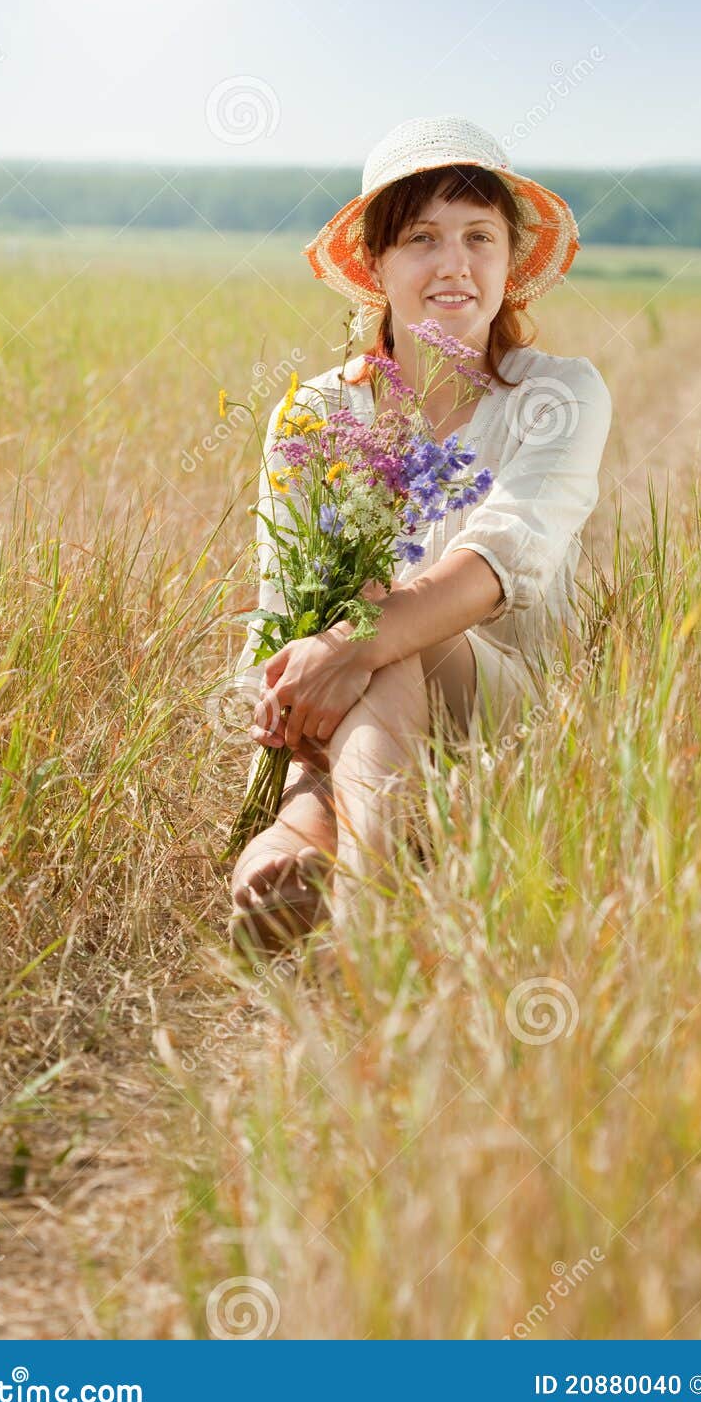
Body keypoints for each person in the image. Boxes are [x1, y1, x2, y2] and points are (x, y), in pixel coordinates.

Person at [226, 114, 613, 952]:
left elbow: (494, 566)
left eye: (479, 236)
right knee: (362, 644)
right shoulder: (316, 412)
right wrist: (307, 695)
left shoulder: (559, 395)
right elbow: (284, 610)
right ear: (376, 263)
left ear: (510, 262)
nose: (454, 265)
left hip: (501, 702)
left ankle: (360, 898)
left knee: (386, 634)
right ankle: (310, 848)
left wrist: (352, 641)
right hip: (334, 710)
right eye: (422, 238)